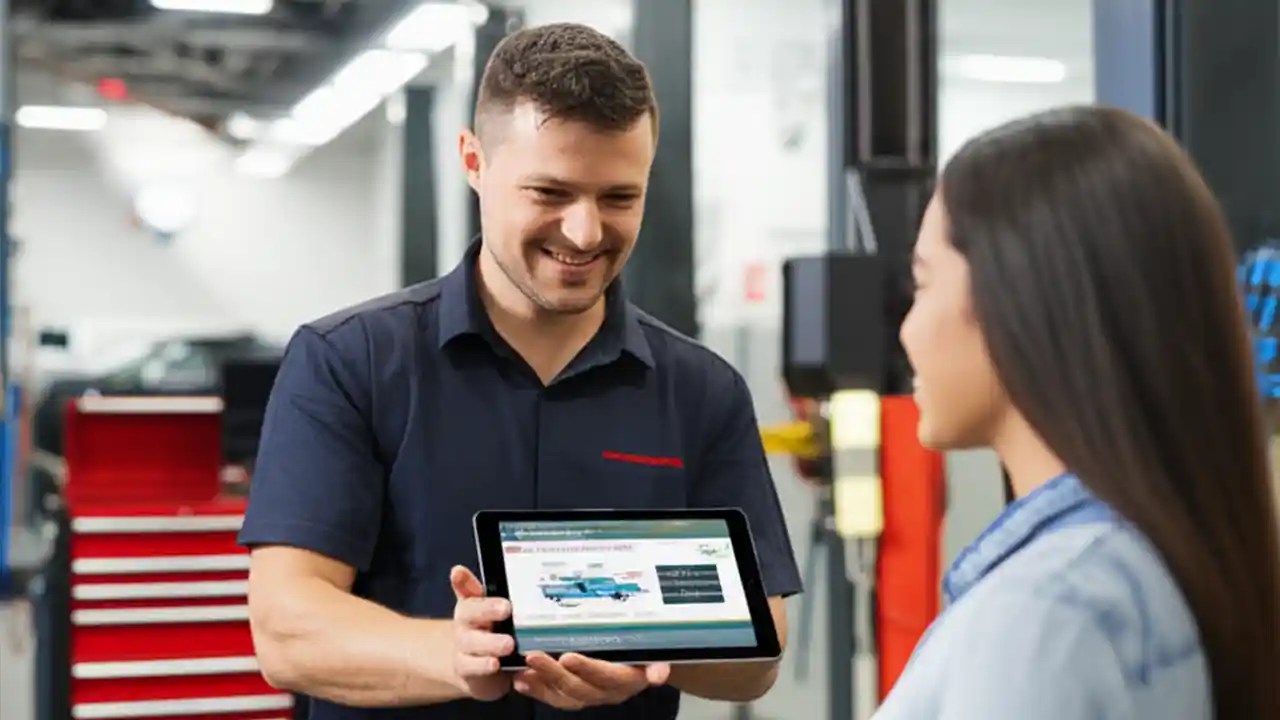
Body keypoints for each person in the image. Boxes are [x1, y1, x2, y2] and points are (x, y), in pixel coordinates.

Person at [237, 22, 802, 720]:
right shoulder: (349, 363)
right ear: (474, 161)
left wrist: (645, 656)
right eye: (550, 192)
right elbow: (287, 629)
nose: (586, 232)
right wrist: (456, 653)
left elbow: (762, 649)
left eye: (619, 198)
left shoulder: (701, 391)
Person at [874, 104, 1280, 719]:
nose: (907, 330)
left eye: (923, 284)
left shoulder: (1043, 615)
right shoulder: (1160, 562)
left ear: (1017, 301)